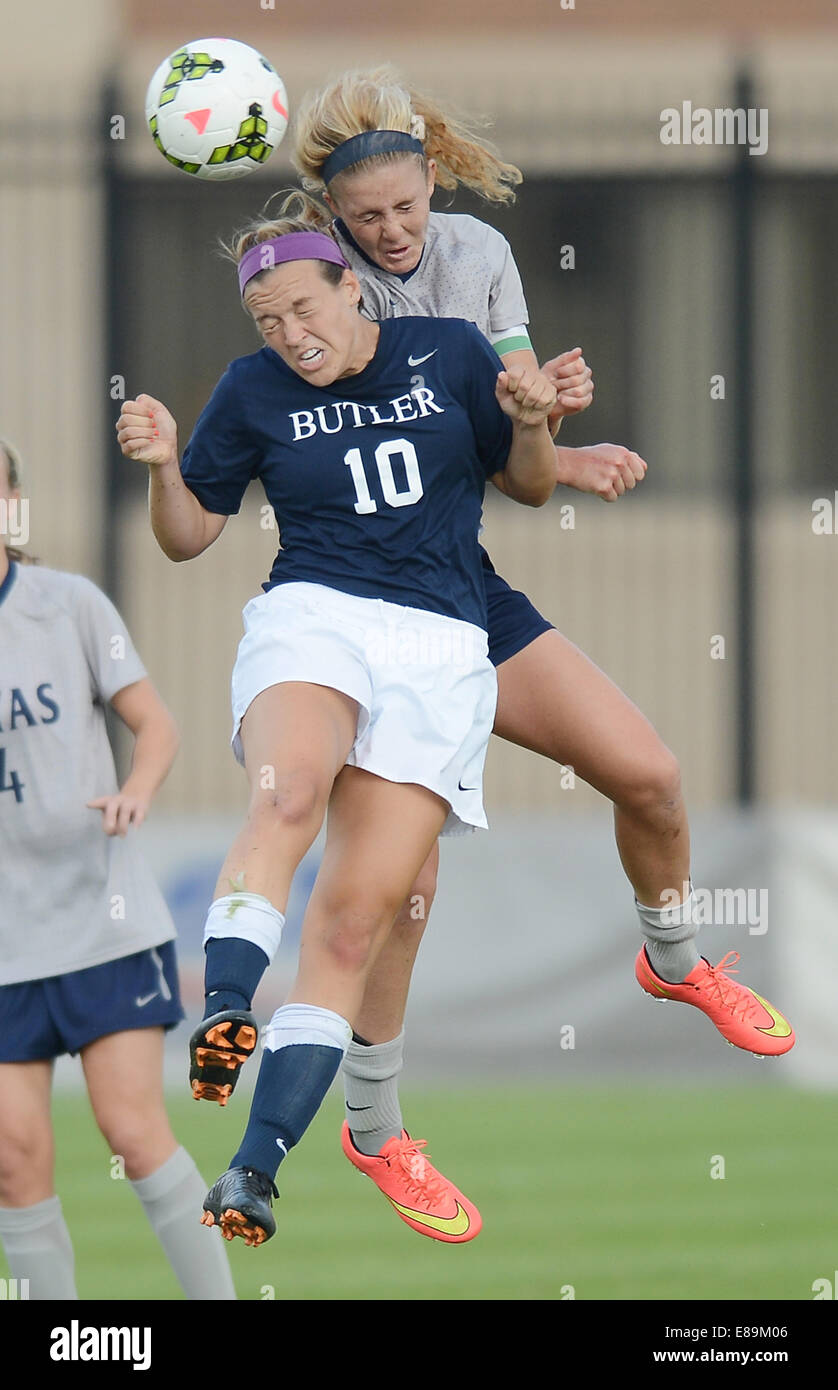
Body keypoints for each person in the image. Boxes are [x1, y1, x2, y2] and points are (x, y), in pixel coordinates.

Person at [171, 68, 795, 1246]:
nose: (393, 232)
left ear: (432, 186)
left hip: (461, 597)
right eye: (368, 219)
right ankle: (375, 1128)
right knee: (396, 895)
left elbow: (508, 429)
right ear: (331, 228)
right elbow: (320, 406)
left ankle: (671, 956)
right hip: (358, 603)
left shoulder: (475, 261)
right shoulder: (304, 290)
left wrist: (554, 425)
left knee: (649, 773)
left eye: (407, 208)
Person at [115, 221, 559, 1245]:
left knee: (356, 924)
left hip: (440, 647)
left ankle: (252, 1171)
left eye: (303, 309)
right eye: (267, 321)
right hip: (314, 614)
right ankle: (224, 1006)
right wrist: (163, 465)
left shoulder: (449, 350)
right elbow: (189, 538)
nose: (288, 334)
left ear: (352, 290)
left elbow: (529, 483)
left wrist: (534, 423)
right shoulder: (249, 388)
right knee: (287, 793)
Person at [0, 438, 236, 1299]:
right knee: (13, 1161)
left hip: (100, 917)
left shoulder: (67, 606)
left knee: (132, 1130)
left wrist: (136, 788)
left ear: (12, 501)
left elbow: (157, 724)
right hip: (4, 942)